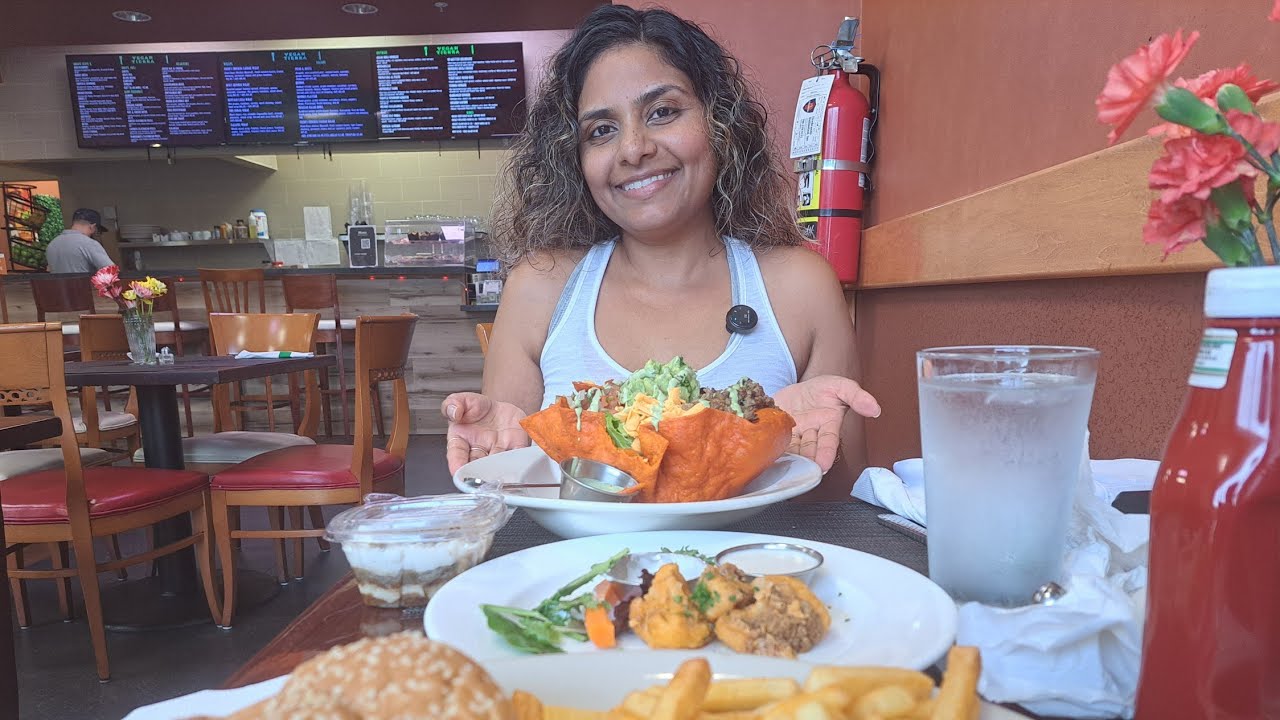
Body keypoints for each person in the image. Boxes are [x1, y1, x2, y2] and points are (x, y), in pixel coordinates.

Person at [443, 5, 881, 487]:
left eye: (663, 112)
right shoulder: (538, 289)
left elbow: (843, 508)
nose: (634, 149)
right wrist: (493, 461)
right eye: (602, 130)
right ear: (576, 159)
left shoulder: (801, 287)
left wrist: (806, 449)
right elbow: (514, 498)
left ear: (720, 124)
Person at [46, 208, 114, 273]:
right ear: (92, 226)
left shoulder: (53, 244)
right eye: (96, 230)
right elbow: (111, 271)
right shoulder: (89, 243)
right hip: (84, 284)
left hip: (58, 285)